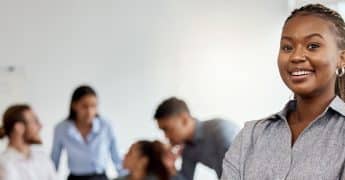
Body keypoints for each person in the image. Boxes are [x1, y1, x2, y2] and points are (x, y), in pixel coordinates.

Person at [221, 4, 345, 180]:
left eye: (312, 46)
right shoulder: (250, 136)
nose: (296, 56)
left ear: (342, 59)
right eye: (287, 47)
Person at [154, 97, 239, 180]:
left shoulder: (220, 131)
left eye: (167, 129)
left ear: (184, 119)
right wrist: (171, 167)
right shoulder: (188, 148)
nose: (166, 136)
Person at [51, 85, 124, 180]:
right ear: (74, 105)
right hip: (75, 178)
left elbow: (117, 158)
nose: (89, 111)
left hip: (100, 177)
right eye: (84, 106)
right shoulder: (61, 128)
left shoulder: (106, 125)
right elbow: (54, 160)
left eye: (93, 106)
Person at [0, 104, 57, 180]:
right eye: (35, 121)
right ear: (19, 127)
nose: (40, 126)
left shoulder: (43, 159)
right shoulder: (4, 164)